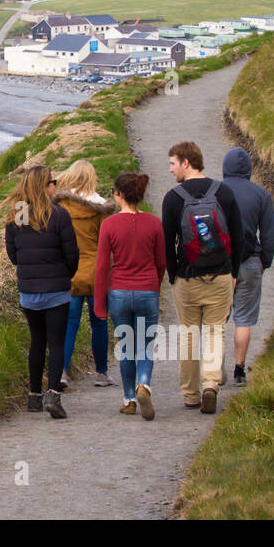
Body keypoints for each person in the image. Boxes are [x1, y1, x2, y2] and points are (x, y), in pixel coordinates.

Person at [161, 141, 244, 414]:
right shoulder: (224, 192)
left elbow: (167, 244)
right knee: (214, 332)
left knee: (189, 335)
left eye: (173, 163)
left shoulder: (173, 198)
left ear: (186, 162)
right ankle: (211, 382)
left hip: (187, 279)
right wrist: (233, 271)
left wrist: (173, 275)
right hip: (220, 275)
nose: (170, 169)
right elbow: (238, 236)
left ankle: (191, 394)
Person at [4, 163, 79, 419]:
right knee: (56, 343)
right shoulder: (58, 215)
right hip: (56, 289)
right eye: (52, 182)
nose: (55, 186)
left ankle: (34, 395)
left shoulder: (18, 215)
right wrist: (65, 275)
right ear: (45, 186)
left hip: (29, 290)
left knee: (37, 341)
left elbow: (13, 256)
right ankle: (53, 395)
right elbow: (72, 255)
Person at [93, 172, 166, 419]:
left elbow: (102, 266)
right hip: (147, 289)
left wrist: (99, 301)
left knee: (126, 347)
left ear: (120, 194)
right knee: (145, 345)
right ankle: (143, 384)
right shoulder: (154, 223)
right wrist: (156, 286)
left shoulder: (109, 224)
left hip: (119, 292)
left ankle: (129, 398)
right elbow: (161, 262)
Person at [53, 160, 116, 390]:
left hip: (69, 273)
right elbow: (108, 246)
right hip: (95, 274)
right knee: (99, 323)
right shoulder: (101, 209)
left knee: (69, 325)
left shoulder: (60, 207)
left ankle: (62, 371)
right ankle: (101, 373)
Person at [221, 146, 274, 386]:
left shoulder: (216, 192)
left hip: (221, 264)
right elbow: (269, 234)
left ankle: (216, 369)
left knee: (217, 319)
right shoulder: (261, 194)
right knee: (243, 319)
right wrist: (264, 261)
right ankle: (239, 370)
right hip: (250, 262)